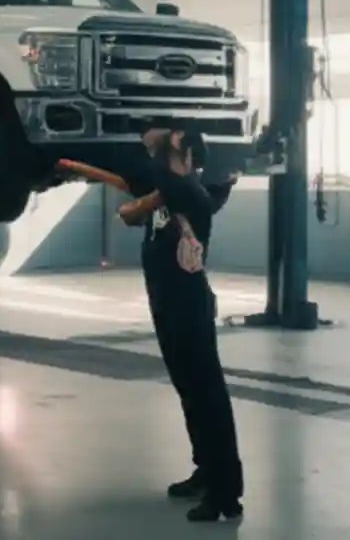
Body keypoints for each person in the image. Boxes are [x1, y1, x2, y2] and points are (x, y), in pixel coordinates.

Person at [119, 128, 244, 522]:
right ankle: (206, 471)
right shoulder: (168, 188)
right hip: (166, 303)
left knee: (208, 396)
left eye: (169, 149)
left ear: (189, 159)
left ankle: (225, 494)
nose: (158, 155)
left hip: (189, 306)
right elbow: (141, 194)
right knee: (189, 392)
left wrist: (159, 147)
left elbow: (160, 187)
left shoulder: (190, 194)